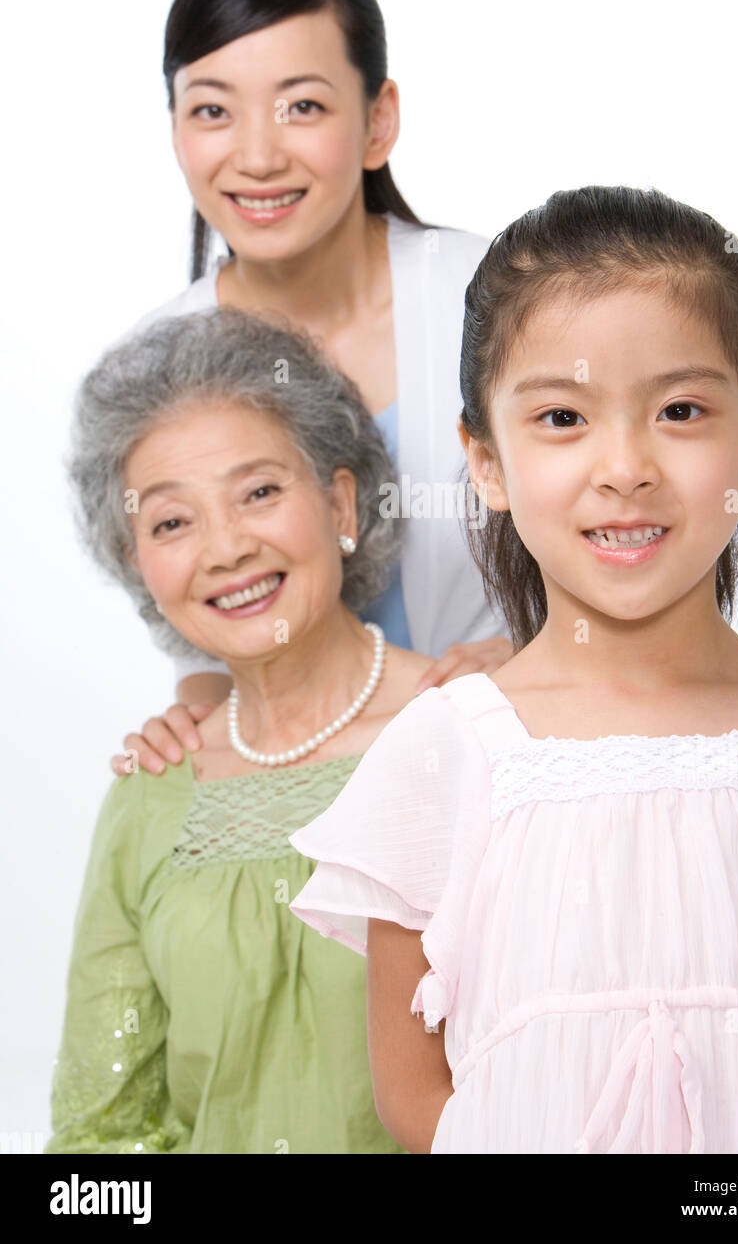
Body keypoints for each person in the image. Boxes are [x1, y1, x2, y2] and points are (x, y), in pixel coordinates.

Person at [285, 185, 738, 1154]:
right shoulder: (443, 751)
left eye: (679, 409)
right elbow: (412, 1092)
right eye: (561, 418)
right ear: (484, 460)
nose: (624, 465)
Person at [114, 0, 512, 777]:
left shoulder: (500, 295)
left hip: (506, 752)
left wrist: (534, 660)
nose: (257, 156)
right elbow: (206, 611)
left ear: (378, 120)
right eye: (212, 109)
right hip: (300, 792)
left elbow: (616, 525)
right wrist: (191, 731)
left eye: (301, 105)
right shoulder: (157, 367)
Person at [46, 308, 437, 1153]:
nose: (224, 549)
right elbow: (98, 1133)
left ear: (339, 502)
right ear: (139, 566)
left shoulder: (460, 739)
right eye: (171, 522)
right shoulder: (151, 791)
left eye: (259, 492)